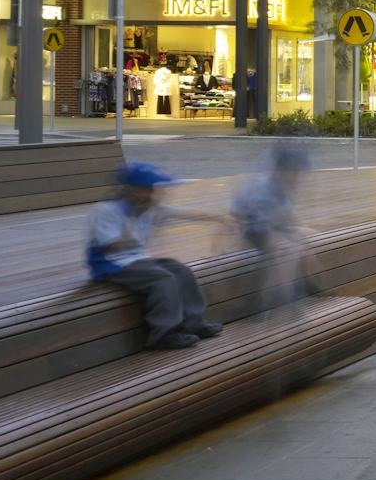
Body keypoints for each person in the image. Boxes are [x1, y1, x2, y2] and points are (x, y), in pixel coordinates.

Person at [87, 163, 222, 349]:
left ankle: (193, 323)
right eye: (147, 189)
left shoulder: (147, 207)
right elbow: (110, 245)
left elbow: (183, 213)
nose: (153, 193)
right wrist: (133, 225)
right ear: (132, 190)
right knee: (162, 278)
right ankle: (164, 334)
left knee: (181, 271)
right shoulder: (106, 210)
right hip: (111, 263)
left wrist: (219, 218)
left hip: (137, 258)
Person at [232, 143, 318, 302]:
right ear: (281, 170)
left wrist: (297, 233)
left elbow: (288, 219)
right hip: (256, 232)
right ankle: (277, 297)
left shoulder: (282, 187)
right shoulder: (262, 189)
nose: (298, 177)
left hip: (273, 229)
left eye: (299, 172)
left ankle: (308, 283)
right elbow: (245, 219)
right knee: (288, 250)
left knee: (310, 237)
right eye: (295, 171)